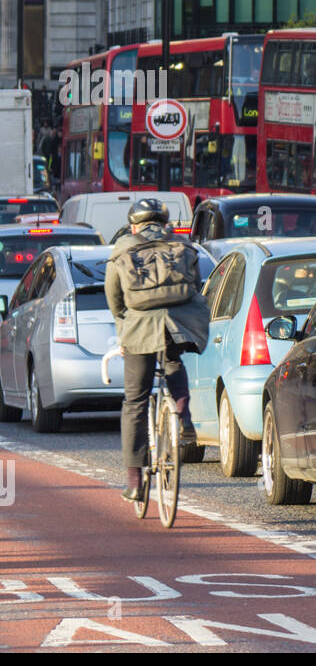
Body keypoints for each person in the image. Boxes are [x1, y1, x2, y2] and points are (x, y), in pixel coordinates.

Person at [105, 197, 210, 501]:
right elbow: (195, 285)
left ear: (134, 224)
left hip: (138, 327)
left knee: (135, 402)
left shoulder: (124, 247)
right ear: (164, 223)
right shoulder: (183, 245)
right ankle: (183, 418)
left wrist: (122, 328)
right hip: (178, 323)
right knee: (174, 361)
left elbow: (114, 296)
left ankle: (135, 480)